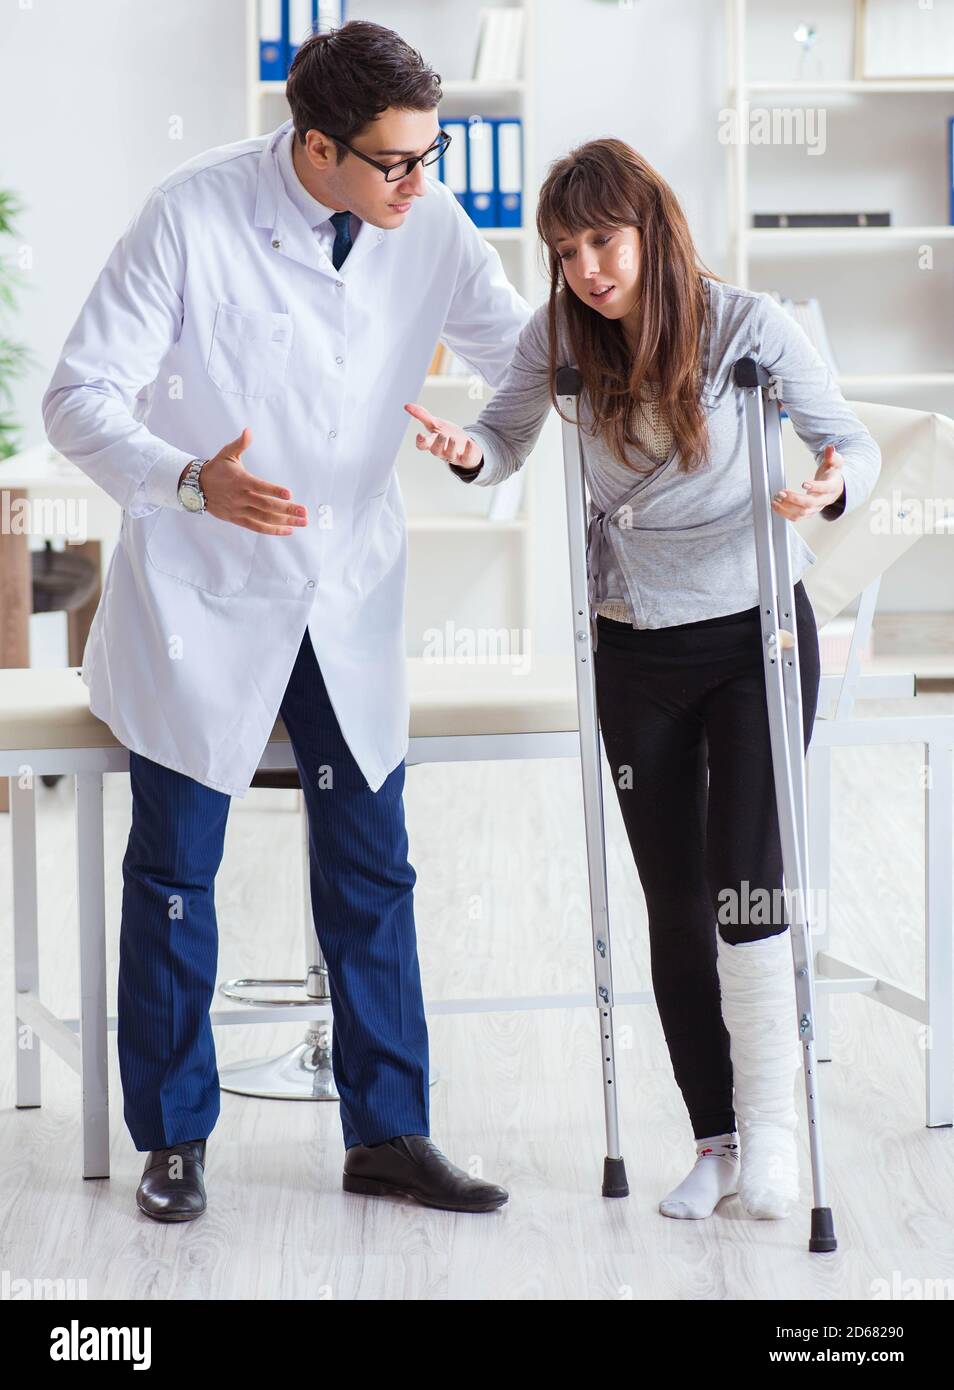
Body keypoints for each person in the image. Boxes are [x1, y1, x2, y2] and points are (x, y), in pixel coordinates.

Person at [41, 20, 532, 1221]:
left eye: (435, 155)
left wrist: (483, 450)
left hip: (347, 591)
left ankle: (391, 1132)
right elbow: (74, 397)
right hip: (204, 595)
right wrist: (190, 479)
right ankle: (174, 1138)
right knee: (177, 872)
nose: (425, 183)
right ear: (316, 147)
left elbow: (524, 358)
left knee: (372, 865)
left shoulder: (431, 220)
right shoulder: (190, 213)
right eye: (398, 163)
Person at [406, 137, 881, 1222]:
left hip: (756, 632)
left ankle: (774, 1137)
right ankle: (713, 1140)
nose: (587, 268)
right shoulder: (559, 336)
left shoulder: (751, 327)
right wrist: (466, 453)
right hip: (634, 644)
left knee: (746, 884)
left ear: (652, 231)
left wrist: (830, 481)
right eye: (566, 251)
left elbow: (851, 440)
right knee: (671, 896)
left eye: (603, 241)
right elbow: (506, 435)